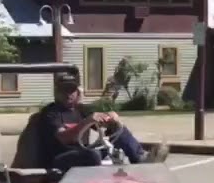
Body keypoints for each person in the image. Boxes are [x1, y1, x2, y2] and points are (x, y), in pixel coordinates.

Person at [38, 73, 168, 171]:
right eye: (64, 90)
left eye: (71, 90)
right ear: (57, 92)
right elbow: (63, 138)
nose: (68, 94)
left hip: (83, 153)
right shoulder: (51, 113)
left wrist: (112, 120)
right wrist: (86, 122)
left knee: (119, 132)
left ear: (77, 92)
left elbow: (101, 123)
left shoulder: (81, 110)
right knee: (92, 155)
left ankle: (142, 159)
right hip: (60, 159)